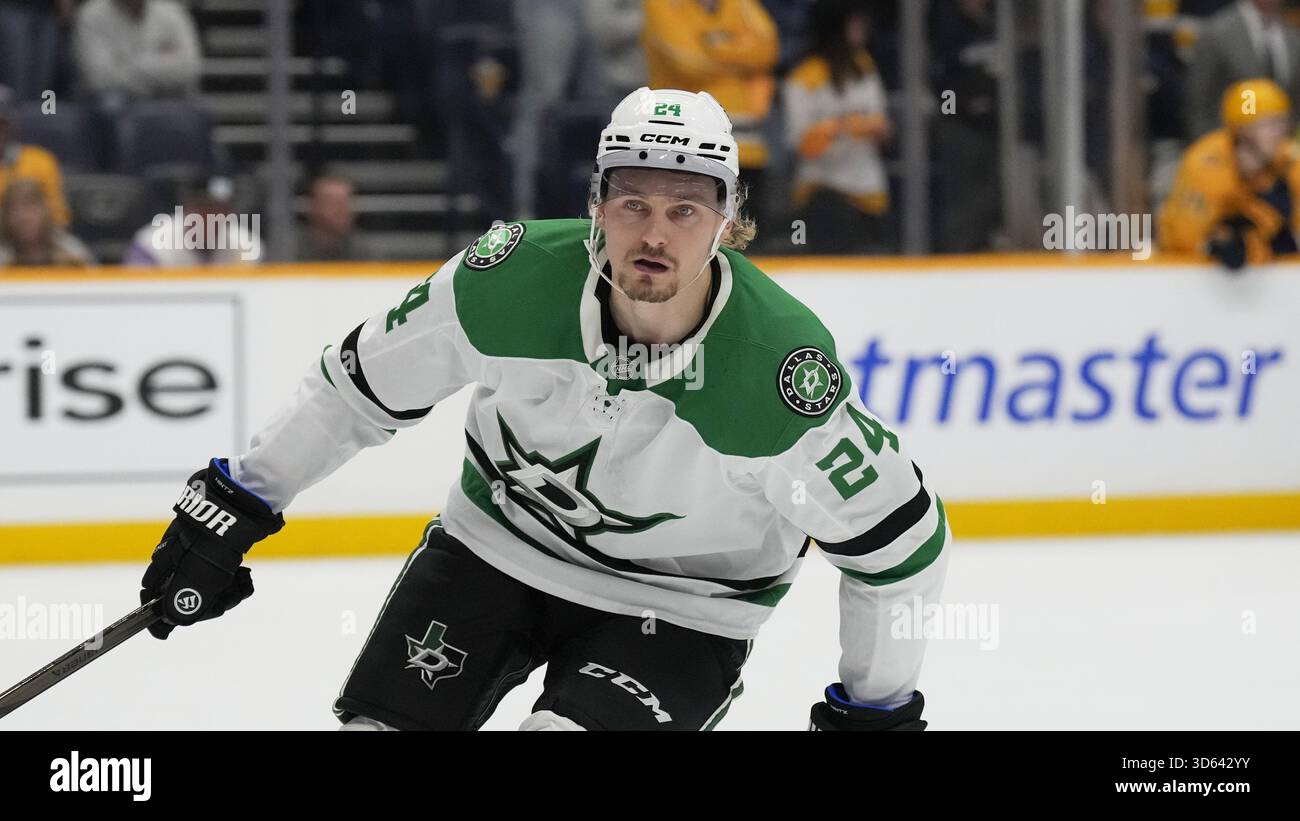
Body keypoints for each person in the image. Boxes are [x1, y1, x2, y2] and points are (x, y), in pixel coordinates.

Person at [138, 88, 950, 731]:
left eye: (685, 209)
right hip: (494, 551)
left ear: (729, 222)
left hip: (680, 609)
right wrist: (238, 500)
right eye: (633, 203)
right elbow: (353, 389)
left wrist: (875, 709)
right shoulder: (506, 281)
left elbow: (901, 549)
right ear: (596, 204)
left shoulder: (777, 371)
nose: (654, 233)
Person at [643, 1, 779, 234]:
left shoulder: (741, 4)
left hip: (747, 145)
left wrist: (711, 46)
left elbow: (768, 50)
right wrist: (737, 51)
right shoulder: (661, 5)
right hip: (683, 145)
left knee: (745, 236)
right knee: (688, 232)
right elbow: (689, 62)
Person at [784, 0, 893, 253]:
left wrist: (871, 128)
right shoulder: (804, 76)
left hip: (869, 190)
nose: (862, 28)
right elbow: (800, 142)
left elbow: (882, 125)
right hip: (823, 189)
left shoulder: (863, 65)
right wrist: (843, 126)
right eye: (854, 23)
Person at [1159, 78, 1300, 269]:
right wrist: (1223, 239)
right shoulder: (1208, 165)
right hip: (1183, 274)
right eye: (1269, 123)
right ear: (1243, 129)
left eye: (1282, 121)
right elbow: (1186, 238)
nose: (1279, 132)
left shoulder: (1288, 161)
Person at [1185, 0, 1300, 138]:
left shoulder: (1293, 35)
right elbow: (1198, 102)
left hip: (1283, 148)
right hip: (1227, 146)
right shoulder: (1216, 32)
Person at [72, 0, 201, 102]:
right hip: (117, 101)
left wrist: (126, 64)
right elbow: (100, 79)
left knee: (190, 108)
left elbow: (190, 68)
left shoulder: (173, 13)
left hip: (169, 96)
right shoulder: (91, 14)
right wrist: (162, 60)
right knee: (110, 103)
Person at [0, 84, 72, 229]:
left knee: (72, 250)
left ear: (12, 126)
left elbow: (59, 220)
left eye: (1, 124)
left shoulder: (39, 161)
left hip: (30, 243)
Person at [0, 177, 94, 266]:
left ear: (46, 211)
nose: (24, 218)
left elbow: (95, 280)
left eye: (31, 209)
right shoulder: (2, 256)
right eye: (15, 210)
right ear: (5, 216)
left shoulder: (72, 252)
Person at [297, 172, 374, 262]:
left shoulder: (365, 252)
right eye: (333, 203)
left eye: (346, 202)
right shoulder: (287, 250)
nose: (341, 210)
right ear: (314, 206)